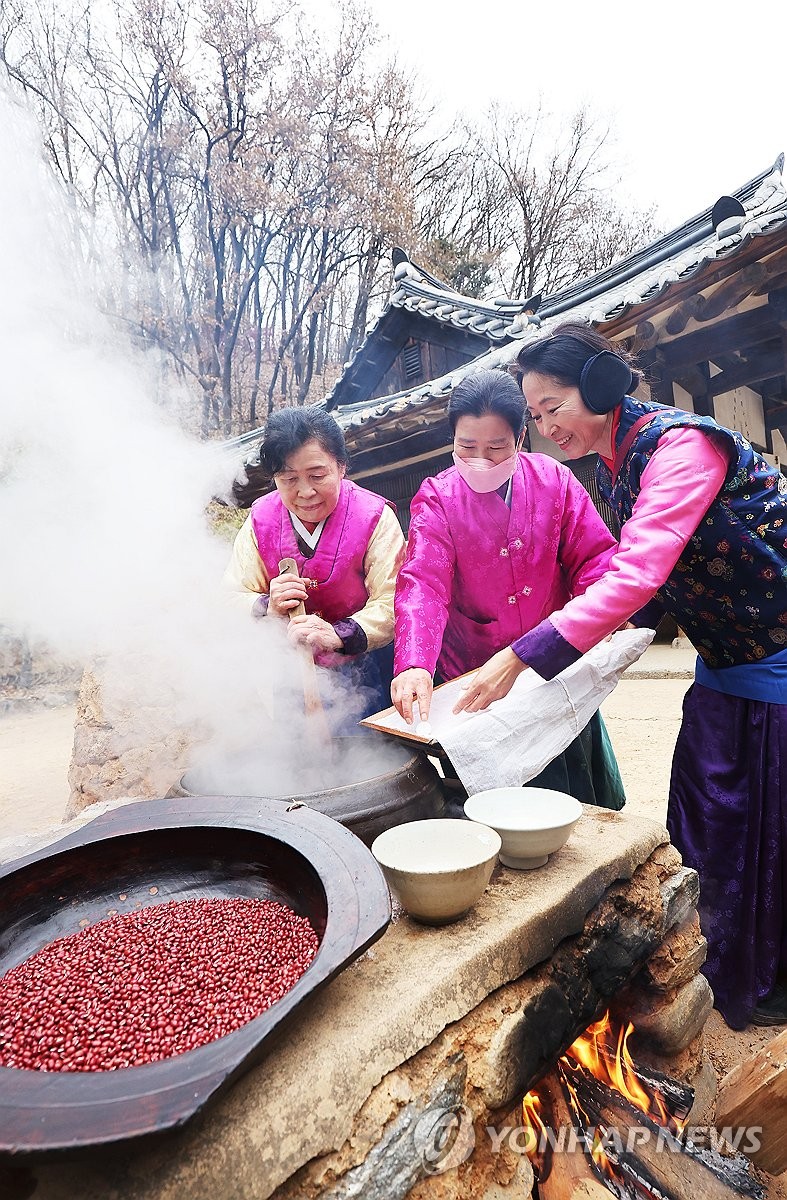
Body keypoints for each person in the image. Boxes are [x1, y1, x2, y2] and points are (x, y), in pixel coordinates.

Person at [458, 321, 787, 1030]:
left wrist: (523, 652)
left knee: (772, 829)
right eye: (535, 416)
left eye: (554, 407)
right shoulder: (612, 464)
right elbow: (620, 567)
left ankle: (769, 979)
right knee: (706, 818)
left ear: (603, 385)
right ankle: (722, 968)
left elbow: (639, 572)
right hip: (727, 661)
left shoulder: (681, 447)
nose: (547, 427)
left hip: (778, 657)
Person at [391, 368, 626, 810]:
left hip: (551, 664)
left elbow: (595, 558)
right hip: (475, 679)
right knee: (499, 804)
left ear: (520, 440)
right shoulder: (436, 498)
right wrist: (414, 662)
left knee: (577, 792)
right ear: (452, 442)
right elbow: (423, 584)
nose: (480, 460)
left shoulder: (554, 481)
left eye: (496, 448)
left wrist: (593, 622)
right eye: (467, 448)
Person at [224, 405, 405, 725]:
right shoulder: (259, 522)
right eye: (288, 478)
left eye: (317, 475)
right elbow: (229, 597)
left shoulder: (373, 517)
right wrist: (267, 605)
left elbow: (394, 601)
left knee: (375, 763)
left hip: (364, 671)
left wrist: (339, 635)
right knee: (300, 768)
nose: (305, 492)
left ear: (341, 467)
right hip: (290, 677)